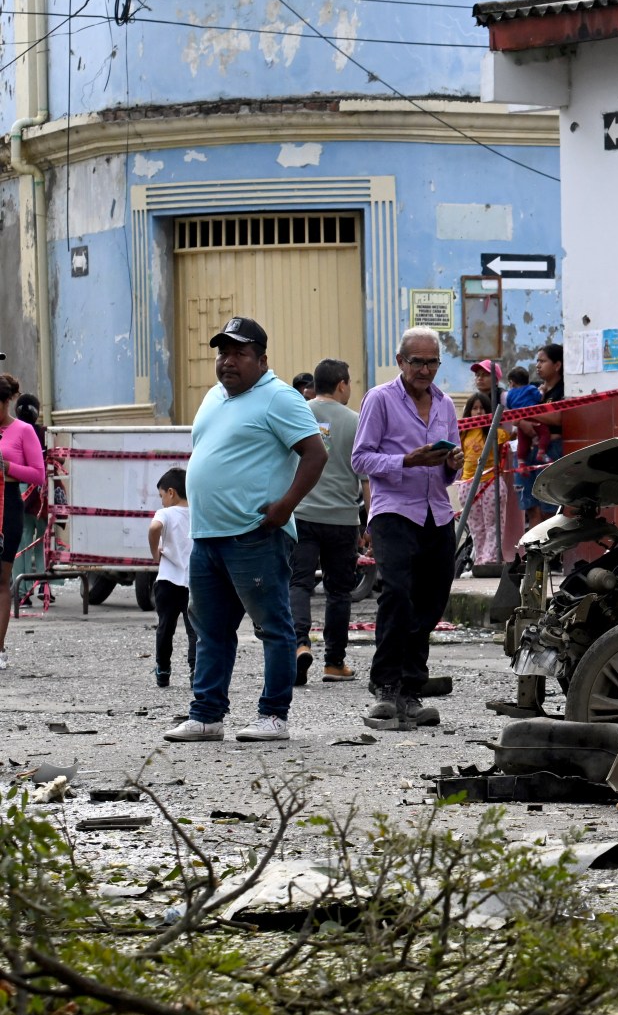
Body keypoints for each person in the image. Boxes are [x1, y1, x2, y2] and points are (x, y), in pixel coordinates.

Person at [164, 317, 328, 743]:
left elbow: (315, 454)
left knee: (273, 627)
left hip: (255, 535)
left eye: (239, 353)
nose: (228, 361)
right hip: (207, 536)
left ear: (262, 360)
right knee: (210, 631)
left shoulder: (279, 398)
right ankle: (207, 716)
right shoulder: (213, 397)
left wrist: (285, 507)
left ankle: (274, 716)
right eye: (223, 353)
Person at [351, 328, 461, 731]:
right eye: (417, 362)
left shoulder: (445, 404)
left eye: (432, 362)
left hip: (437, 512)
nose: (425, 370)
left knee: (431, 600)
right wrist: (406, 461)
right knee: (397, 592)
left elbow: (451, 469)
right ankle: (386, 686)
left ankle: (411, 691)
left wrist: (452, 464)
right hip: (394, 511)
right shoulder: (380, 399)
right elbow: (360, 459)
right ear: (401, 361)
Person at [291, 358, 367, 687]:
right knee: (339, 592)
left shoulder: (298, 413)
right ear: (341, 385)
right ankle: (334, 663)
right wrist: (369, 522)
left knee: (298, 584)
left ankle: (299, 645)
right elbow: (366, 477)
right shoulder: (356, 421)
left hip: (302, 513)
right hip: (342, 518)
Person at [0, 374, 48, 672]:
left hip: (7, 504)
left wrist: (7, 467)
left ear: (6, 402)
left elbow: (38, 474)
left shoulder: (23, 431)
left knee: (1, 577)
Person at [456, 359, 509, 572]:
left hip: (490, 483)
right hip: (467, 485)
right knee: (476, 527)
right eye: (474, 409)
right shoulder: (463, 432)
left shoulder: (497, 433)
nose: (478, 413)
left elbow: (511, 436)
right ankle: (479, 562)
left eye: (482, 409)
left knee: (493, 525)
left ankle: (490, 561)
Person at [147, 468, 196, 688]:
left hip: (167, 581)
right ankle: (196, 671)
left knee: (165, 628)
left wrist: (155, 552)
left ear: (171, 492)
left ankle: (163, 669)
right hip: (192, 582)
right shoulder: (197, 512)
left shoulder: (165, 513)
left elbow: (154, 527)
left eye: (161, 496)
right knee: (194, 630)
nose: (162, 501)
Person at [8, 391, 51, 615]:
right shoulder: (44, 433)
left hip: (22, 493)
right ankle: (44, 585)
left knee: (22, 543)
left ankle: (23, 590)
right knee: (43, 542)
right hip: (44, 495)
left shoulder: (15, 432)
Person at [518, 344, 566, 525]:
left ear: (557, 365)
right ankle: (535, 543)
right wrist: (522, 422)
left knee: (549, 509)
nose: (537, 365)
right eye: (537, 361)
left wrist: (528, 413)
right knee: (531, 508)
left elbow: (559, 418)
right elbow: (514, 414)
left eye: (543, 361)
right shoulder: (534, 390)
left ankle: (551, 543)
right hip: (529, 451)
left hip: (551, 451)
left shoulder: (563, 390)